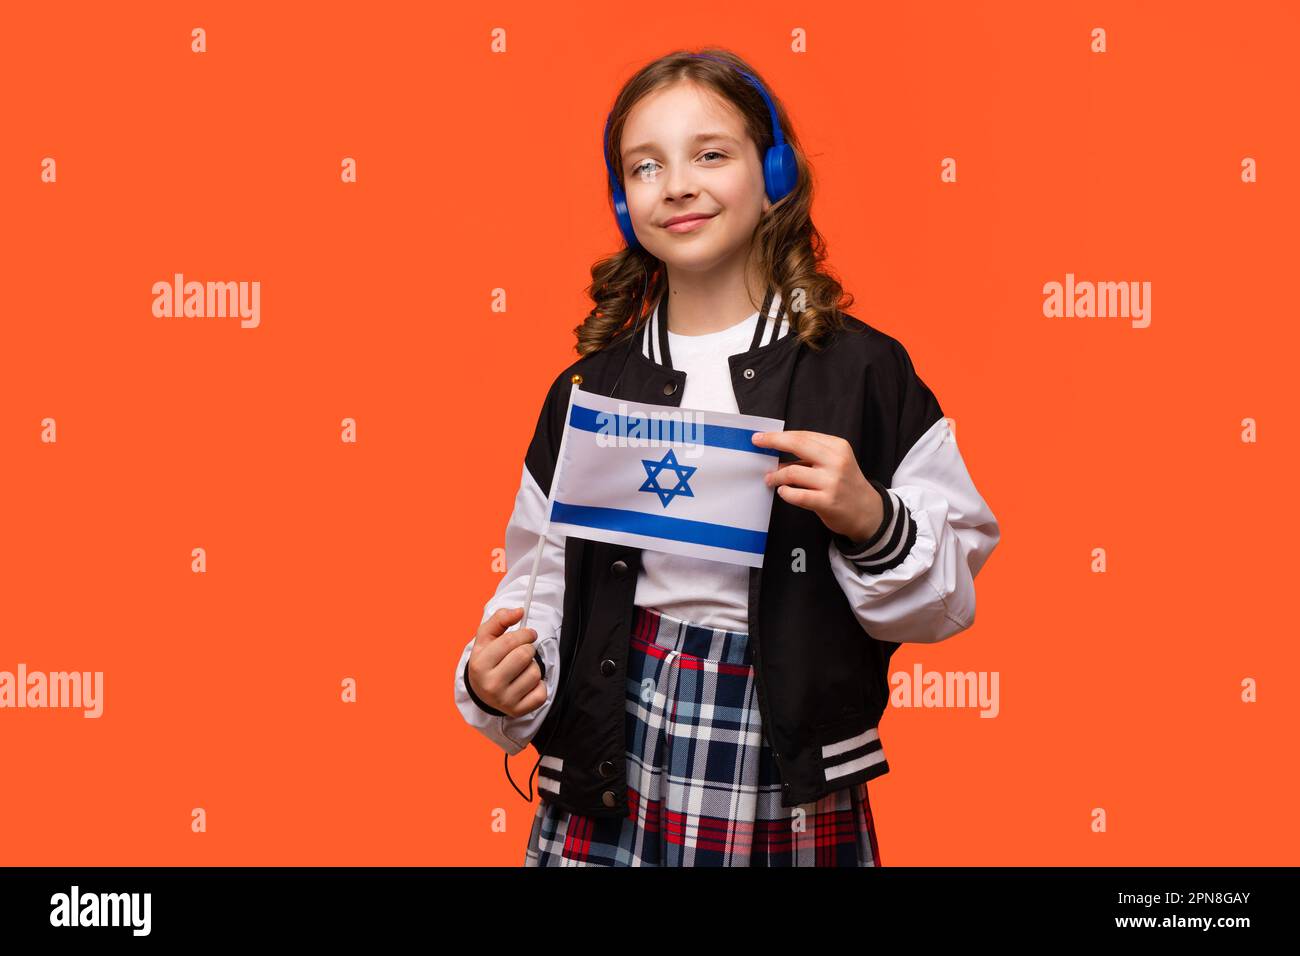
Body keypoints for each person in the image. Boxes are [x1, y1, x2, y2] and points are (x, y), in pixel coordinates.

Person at [453, 48, 1001, 866]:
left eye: (710, 154)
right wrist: (495, 680)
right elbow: (540, 580)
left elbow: (944, 602)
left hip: (779, 766)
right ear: (623, 201)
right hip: (609, 752)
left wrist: (871, 519)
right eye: (646, 166)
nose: (677, 185)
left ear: (774, 173)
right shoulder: (587, 390)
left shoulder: (862, 372)